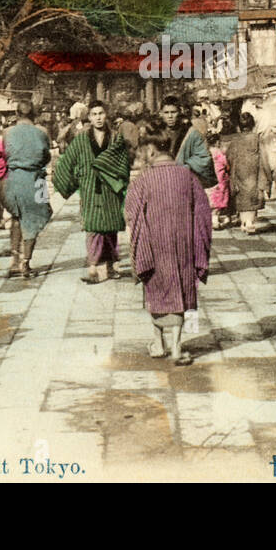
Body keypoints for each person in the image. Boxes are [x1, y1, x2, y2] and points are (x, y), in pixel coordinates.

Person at [125, 129, 213, 365]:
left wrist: (136, 243)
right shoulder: (188, 177)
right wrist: (200, 244)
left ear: (152, 151)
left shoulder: (142, 180)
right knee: (183, 290)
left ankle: (158, 342)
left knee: (155, 290)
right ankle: (176, 346)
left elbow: (131, 215)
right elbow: (204, 213)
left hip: (153, 246)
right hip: (184, 245)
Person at [53, 100, 131, 284]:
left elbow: (123, 163)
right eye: (94, 114)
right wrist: (68, 181)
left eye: (101, 113)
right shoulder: (81, 139)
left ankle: (111, 266)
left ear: (107, 115)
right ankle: (93, 267)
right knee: (93, 227)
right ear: (89, 117)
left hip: (111, 189)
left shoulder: (115, 138)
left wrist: (117, 178)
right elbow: (68, 161)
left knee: (111, 228)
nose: (98, 118)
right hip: (89, 187)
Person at [2, 100, 53, 278]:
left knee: (16, 217)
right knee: (34, 218)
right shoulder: (42, 132)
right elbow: (47, 156)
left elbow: (4, 154)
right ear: (34, 114)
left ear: (16, 114)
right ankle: (26, 263)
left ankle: (14, 261)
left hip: (13, 179)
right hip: (36, 179)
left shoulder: (7, 132)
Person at [225, 112, 270, 234]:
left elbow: (228, 157)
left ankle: (245, 222)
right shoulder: (257, 139)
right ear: (253, 125)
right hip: (254, 172)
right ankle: (249, 222)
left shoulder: (235, 141)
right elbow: (264, 159)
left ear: (239, 126)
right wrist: (268, 178)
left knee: (241, 197)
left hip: (239, 172)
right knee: (252, 197)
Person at [157, 96, 217, 188]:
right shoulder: (156, 133)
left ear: (180, 112)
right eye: (166, 112)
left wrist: (183, 166)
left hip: (183, 182)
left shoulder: (191, 133)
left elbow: (204, 157)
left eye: (173, 112)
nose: (170, 116)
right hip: (159, 182)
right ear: (161, 113)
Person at [206, 133, 231, 229]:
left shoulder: (206, 152)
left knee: (211, 199)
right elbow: (226, 164)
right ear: (217, 142)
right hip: (220, 179)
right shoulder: (219, 152)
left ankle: (212, 219)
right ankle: (215, 220)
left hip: (209, 179)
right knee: (218, 201)